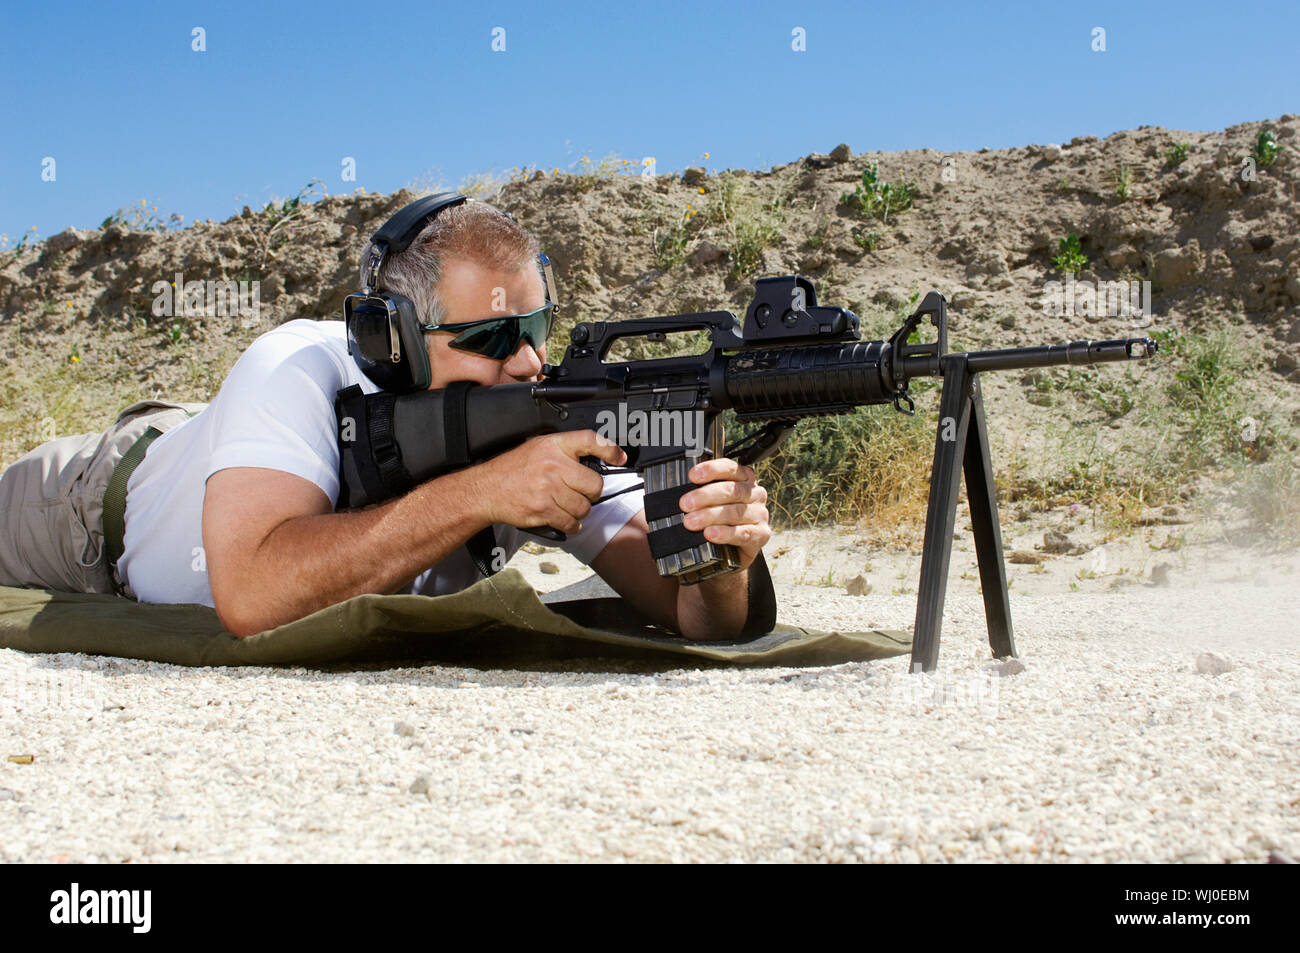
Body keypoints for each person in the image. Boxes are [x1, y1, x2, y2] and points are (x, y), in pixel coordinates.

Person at [0, 196, 773, 640]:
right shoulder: (296, 365)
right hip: (84, 505)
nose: (530, 363)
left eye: (536, 331)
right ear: (395, 342)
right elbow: (249, 591)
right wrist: (481, 494)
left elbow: (689, 613)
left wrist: (720, 564)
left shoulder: (534, 414)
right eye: (492, 337)